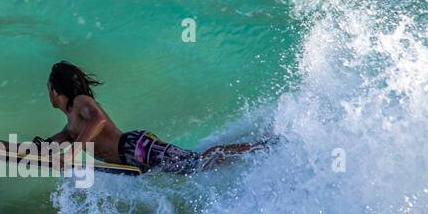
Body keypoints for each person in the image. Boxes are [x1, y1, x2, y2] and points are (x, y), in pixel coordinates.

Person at [35, 60, 270, 173]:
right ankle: (256, 147)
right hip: (131, 160)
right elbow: (53, 144)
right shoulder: (70, 126)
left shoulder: (81, 102)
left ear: (56, 90)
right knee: (191, 170)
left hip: (137, 147)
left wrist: (74, 152)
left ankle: (260, 148)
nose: (48, 94)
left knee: (196, 164)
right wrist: (36, 150)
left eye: (48, 88)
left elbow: (99, 120)